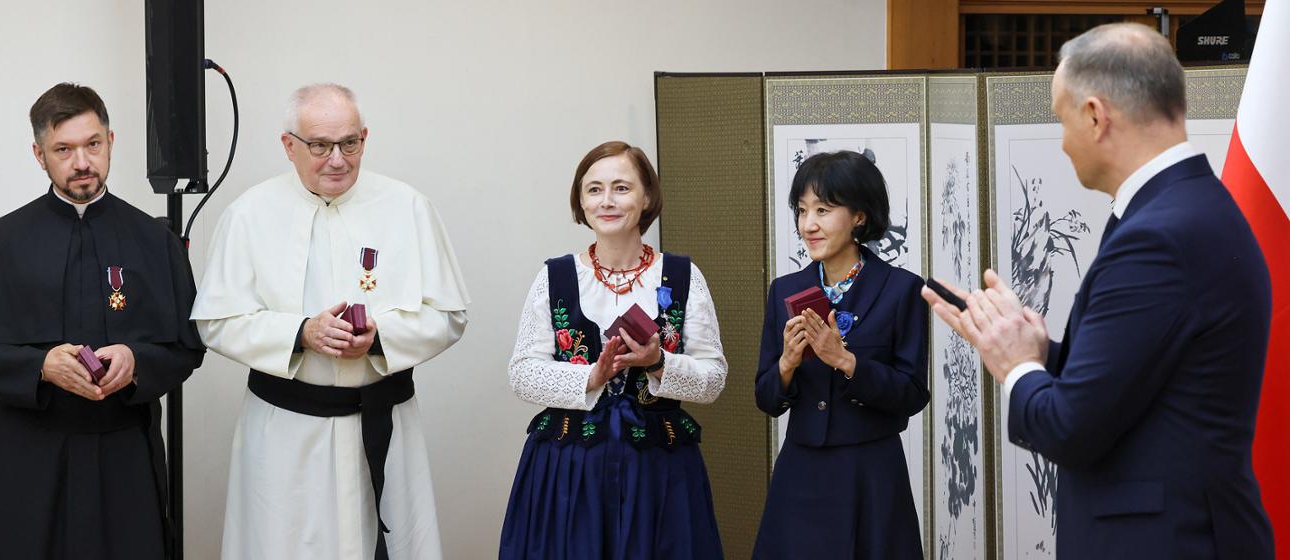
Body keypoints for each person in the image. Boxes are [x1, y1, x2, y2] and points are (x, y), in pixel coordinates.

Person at [923, 23, 1274, 559]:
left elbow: (1071, 427)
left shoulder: (1159, 236)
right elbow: (1138, 381)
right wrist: (1039, 350)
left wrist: (1016, 365)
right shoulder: (1191, 209)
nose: (1062, 142)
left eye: (1061, 120)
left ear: (1094, 115)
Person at [190, 83, 469, 560]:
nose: (337, 159)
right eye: (319, 146)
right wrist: (300, 333)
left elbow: (449, 314)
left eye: (350, 143)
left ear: (364, 137)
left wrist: (382, 339)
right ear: (289, 146)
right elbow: (215, 321)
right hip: (286, 431)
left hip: (384, 420)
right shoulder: (249, 214)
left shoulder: (409, 207)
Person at [0, 83, 204, 559]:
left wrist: (137, 361)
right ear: (39, 154)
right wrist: (39, 367)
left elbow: (188, 346)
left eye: (92, 144)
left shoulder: (155, 242)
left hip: (124, 448)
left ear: (110, 142)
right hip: (30, 449)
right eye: (63, 149)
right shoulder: (2, 241)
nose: (81, 162)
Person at [499, 141, 727, 559]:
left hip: (659, 468)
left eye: (621, 188)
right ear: (580, 201)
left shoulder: (682, 275)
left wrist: (658, 363)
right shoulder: (555, 276)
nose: (607, 201)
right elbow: (522, 372)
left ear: (647, 198)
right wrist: (592, 376)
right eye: (594, 189)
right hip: (568, 469)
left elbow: (713, 378)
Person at [753, 150, 929, 559]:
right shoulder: (784, 290)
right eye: (802, 211)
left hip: (871, 473)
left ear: (859, 216)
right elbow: (766, 398)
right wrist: (785, 365)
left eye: (824, 210)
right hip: (801, 471)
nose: (808, 224)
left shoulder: (901, 288)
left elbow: (913, 392)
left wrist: (847, 361)